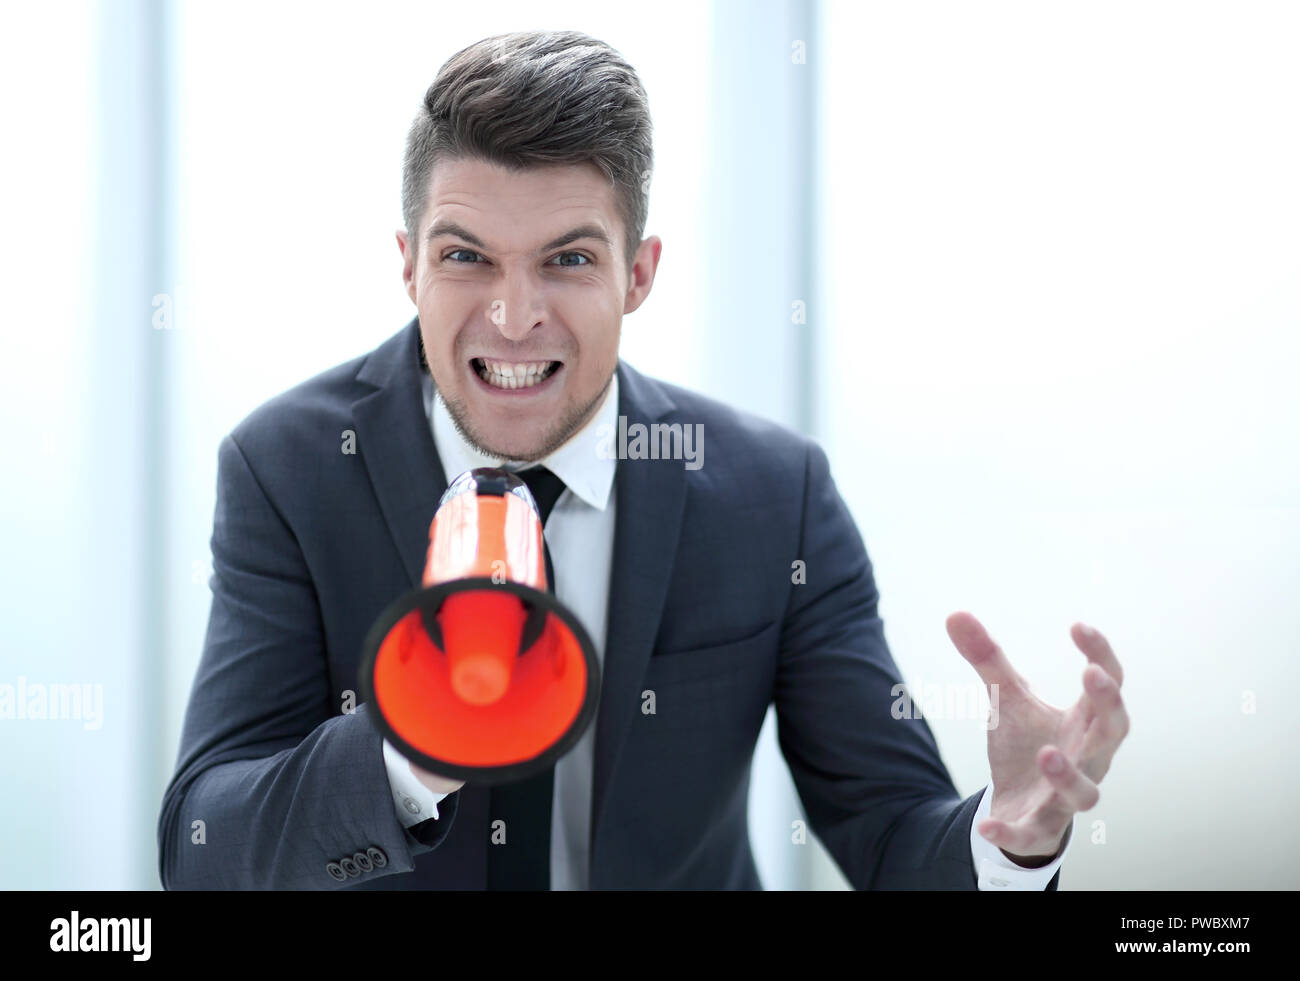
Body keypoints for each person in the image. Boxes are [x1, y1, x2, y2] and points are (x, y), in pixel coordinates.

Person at [157, 29, 1129, 890]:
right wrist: (407, 755)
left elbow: (889, 836)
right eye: (466, 258)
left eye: (569, 260)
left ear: (639, 273)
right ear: (407, 262)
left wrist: (1011, 840)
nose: (512, 314)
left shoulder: (769, 496)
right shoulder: (286, 468)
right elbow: (204, 852)